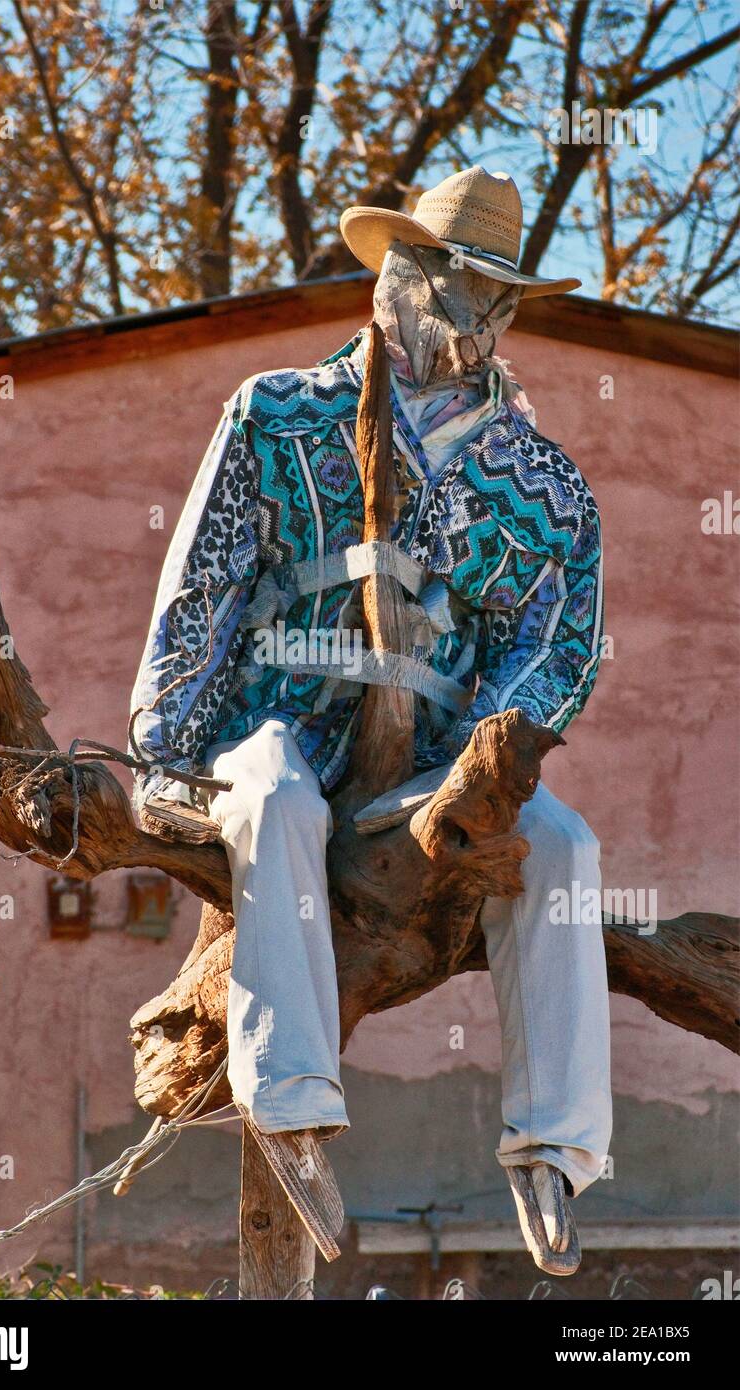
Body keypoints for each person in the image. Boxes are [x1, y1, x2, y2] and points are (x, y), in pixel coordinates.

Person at [130, 167, 612, 1274]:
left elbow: (558, 645)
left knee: (561, 846)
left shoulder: (545, 486)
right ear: (400, 274)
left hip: (432, 769)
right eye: (451, 284)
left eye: (496, 296)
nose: (470, 316)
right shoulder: (275, 413)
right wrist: (162, 741)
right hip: (270, 724)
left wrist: (487, 765)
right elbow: (203, 584)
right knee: (275, 798)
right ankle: (291, 1100)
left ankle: (552, 1146)